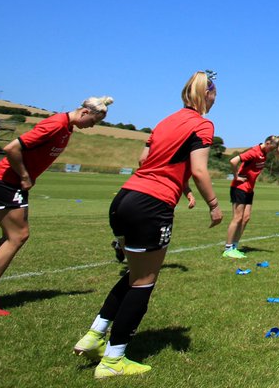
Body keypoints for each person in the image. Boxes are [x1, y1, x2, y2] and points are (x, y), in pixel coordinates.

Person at [71, 72, 222, 378]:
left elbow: (145, 160)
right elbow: (199, 169)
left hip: (126, 197)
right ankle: (113, 361)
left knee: (133, 275)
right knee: (144, 281)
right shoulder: (203, 124)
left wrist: (182, 187)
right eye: (215, 95)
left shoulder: (166, 121)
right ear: (207, 95)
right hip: (151, 205)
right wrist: (215, 205)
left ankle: (94, 336)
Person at [0, 96, 114, 317]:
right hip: (5, 182)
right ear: (84, 112)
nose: (92, 126)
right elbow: (11, 148)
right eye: (93, 121)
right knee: (18, 237)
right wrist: (25, 176)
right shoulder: (55, 124)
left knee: (10, 238)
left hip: (8, 184)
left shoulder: (67, 128)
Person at [223, 134, 279, 258]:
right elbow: (233, 161)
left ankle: (235, 247)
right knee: (237, 218)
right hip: (239, 187)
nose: (272, 151)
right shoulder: (254, 152)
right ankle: (228, 249)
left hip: (249, 189)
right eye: (272, 148)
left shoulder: (263, 154)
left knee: (246, 218)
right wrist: (236, 176)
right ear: (267, 143)